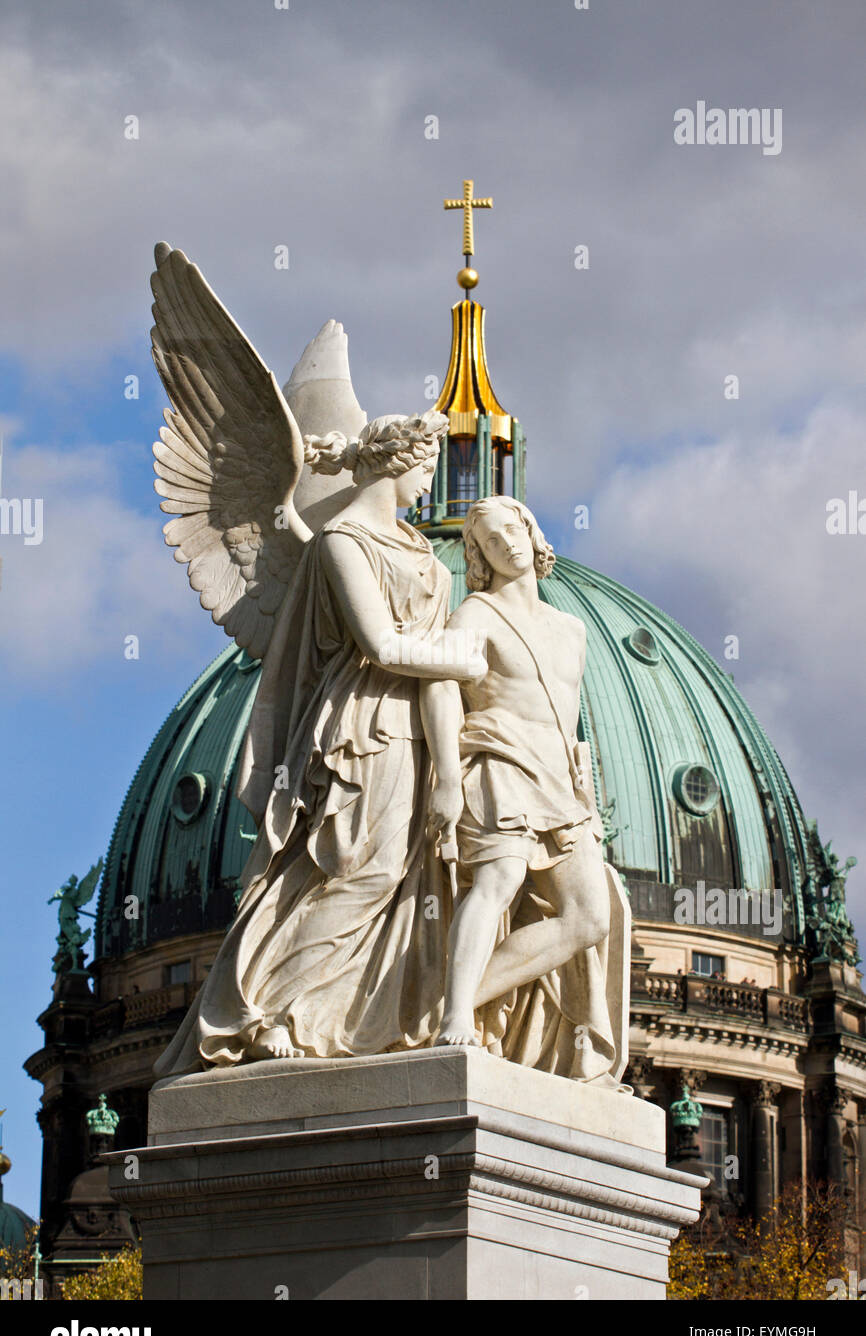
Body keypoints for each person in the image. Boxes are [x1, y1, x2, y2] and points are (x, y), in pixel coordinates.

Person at [154, 411, 484, 1074]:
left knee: (396, 879)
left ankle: (344, 1015)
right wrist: (467, 660)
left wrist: (449, 771)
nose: (430, 482)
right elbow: (380, 644)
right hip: (362, 727)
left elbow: (425, 665)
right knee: (353, 871)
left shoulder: (417, 549)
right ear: (397, 462)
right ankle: (266, 1004)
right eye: (425, 467)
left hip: (418, 724)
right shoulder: (342, 541)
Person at [423, 496, 624, 1081]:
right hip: (500, 758)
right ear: (478, 557)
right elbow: (440, 688)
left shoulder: (573, 628)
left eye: (514, 528)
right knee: (497, 880)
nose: (507, 542)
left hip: (560, 779)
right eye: (490, 539)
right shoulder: (475, 616)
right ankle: (456, 1013)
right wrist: (443, 779)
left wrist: (583, 788)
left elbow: (569, 715)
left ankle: (455, 1000)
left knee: (591, 917)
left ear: (534, 534)